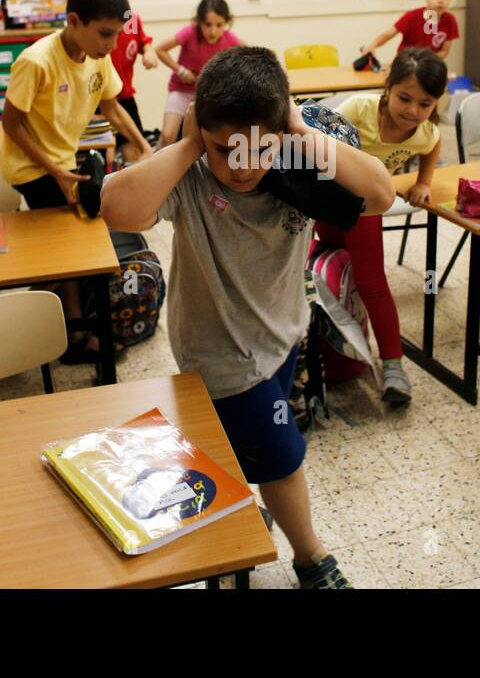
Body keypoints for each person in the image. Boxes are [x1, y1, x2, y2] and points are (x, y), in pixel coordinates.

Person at [100, 45, 395, 588]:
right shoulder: (191, 177)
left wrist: (299, 130)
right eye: (223, 149)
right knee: (282, 458)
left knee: (243, 443)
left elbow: (380, 194)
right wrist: (191, 141)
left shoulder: (298, 161)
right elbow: (118, 209)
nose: (241, 166)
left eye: (259, 149)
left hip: (284, 333)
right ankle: (312, 558)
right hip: (221, 355)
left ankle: (237, 506)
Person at [0, 0, 151, 363]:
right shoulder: (36, 61)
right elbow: (11, 125)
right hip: (30, 168)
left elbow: (112, 106)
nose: (112, 44)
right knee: (79, 244)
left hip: (64, 163)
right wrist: (56, 171)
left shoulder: (98, 60)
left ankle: (64, 317)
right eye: (104, 34)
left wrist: (144, 145)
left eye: (117, 34)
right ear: (74, 22)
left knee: (81, 240)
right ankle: (77, 336)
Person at [322, 48, 446, 404]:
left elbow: (433, 144)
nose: (412, 111)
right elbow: (314, 131)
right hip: (323, 198)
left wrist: (423, 181)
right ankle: (326, 349)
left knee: (371, 280)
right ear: (388, 88)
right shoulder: (359, 108)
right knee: (327, 265)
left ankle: (392, 364)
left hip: (364, 206)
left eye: (425, 104)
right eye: (404, 98)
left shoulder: (424, 131)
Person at [86, 0, 156, 164]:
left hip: (123, 93)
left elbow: (144, 41)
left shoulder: (131, 18)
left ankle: (132, 183)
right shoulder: (89, 26)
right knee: (99, 150)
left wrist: (148, 52)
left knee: (134, 144)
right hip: (95, 95)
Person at [154, 0, 241, 149]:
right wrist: (180, 70)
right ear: (199, 22)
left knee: (210, 139)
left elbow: (248, 57)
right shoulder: (189, 32)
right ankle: (154, 169)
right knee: (168, 135)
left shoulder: (230, 39)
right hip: (181, 91)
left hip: (209, 96)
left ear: (226, 23)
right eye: (208, 24)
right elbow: (160, 50)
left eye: (219, 25)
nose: (213, 31)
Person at [359, 0, 459, 61]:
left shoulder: (451, 21)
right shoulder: (411, 17)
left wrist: (425, 60)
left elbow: (444, 52)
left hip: (430, 65)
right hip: (406, 63)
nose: (440, 0)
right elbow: (388, 35)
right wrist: (372, 46)